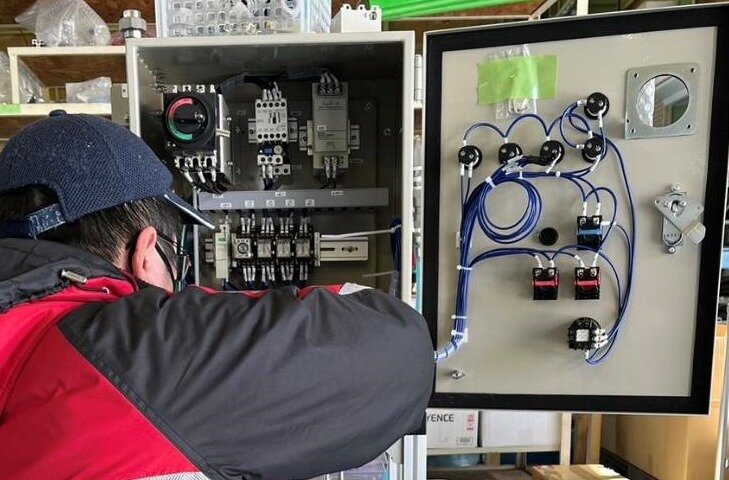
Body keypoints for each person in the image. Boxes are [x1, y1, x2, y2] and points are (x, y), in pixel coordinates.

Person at [0, 111, 434, 480]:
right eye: (175, 259)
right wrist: (194, 310)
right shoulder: (135, 358)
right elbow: (401, 351)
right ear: (145, 252)